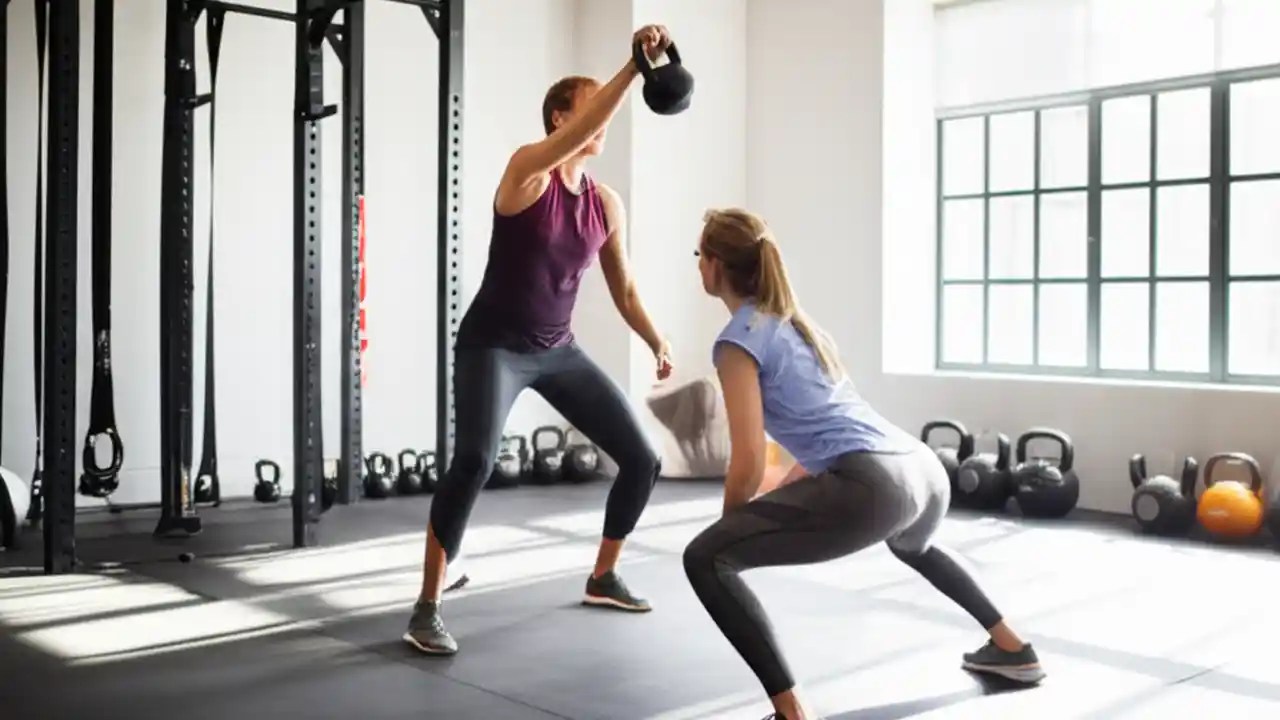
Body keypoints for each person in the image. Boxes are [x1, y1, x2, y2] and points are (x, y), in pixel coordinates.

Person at [682, 209, 1045, 720]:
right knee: (913, 544)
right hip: (921, 470)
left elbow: (745, 457)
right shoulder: (795, 322)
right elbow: (823, 433)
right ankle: (1014, 648)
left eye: (700, 256)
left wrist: (728, 535)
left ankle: (791, 715)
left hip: (872, 483)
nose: (698, 266)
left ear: (717, 266)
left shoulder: (737, 340)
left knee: (703, 560)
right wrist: (772, 504)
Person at [403, 25, 677, 656]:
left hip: (557, 350)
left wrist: (656, 340)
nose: (603, 120)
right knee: (473, 460)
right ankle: (426, 606)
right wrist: (633, 68)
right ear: (561, 117)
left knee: (642, 458)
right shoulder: (526, 172)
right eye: (592, 105)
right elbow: (574, 139)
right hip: (492, 346)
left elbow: (625, 289)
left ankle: (604, 574)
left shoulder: (606, 204)